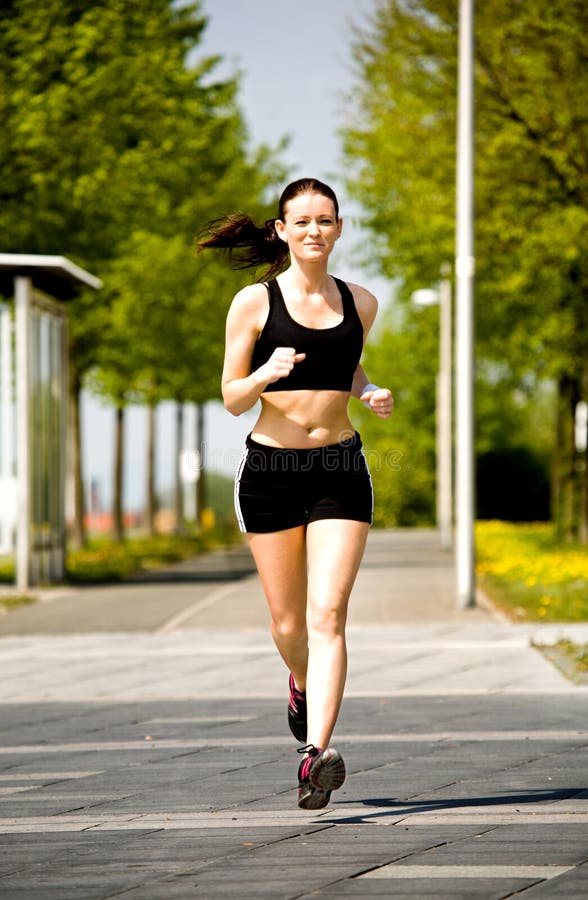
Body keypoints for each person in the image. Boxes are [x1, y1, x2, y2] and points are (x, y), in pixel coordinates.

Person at [196, 178, 393, 810]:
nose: (314, 230)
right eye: (301, 221)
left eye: (325, 220)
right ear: (282, 230)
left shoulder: (361, 302)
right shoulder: (252, 303)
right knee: (288, 624)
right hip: (271, 473)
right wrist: (264, 373)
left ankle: (316, 756)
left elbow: (348, 361)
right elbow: (230, 397)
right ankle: (301, 683)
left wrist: (367, 392)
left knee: (328, 614)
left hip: (341, 466)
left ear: (339, 229)